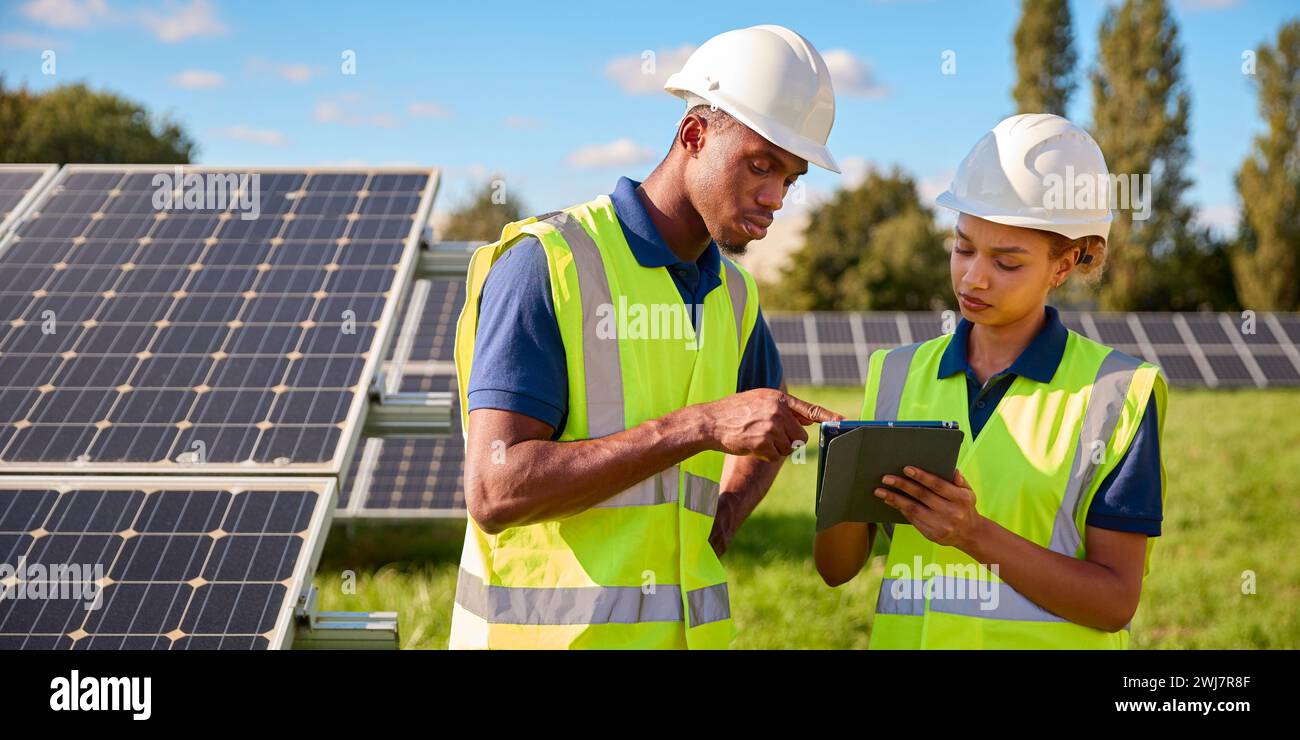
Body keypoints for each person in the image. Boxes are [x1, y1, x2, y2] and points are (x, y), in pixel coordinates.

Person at [450, 25, 844, 649]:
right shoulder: (548, 263)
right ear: (695, 135)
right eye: (760, 164)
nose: (775, 197)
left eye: (790, 178)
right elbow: (497, 490)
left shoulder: (734, 294)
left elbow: (771, 411)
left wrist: (723, 522)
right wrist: (700, 426)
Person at [814, 113, 1169, 649]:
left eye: (1006, 263)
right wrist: (841, 476)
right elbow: (836, 570)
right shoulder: (894, 372)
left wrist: (973, 535)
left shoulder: (1119, 391)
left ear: (1065, 264)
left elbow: (1114, 602)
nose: (973, 277)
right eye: (963, 248)